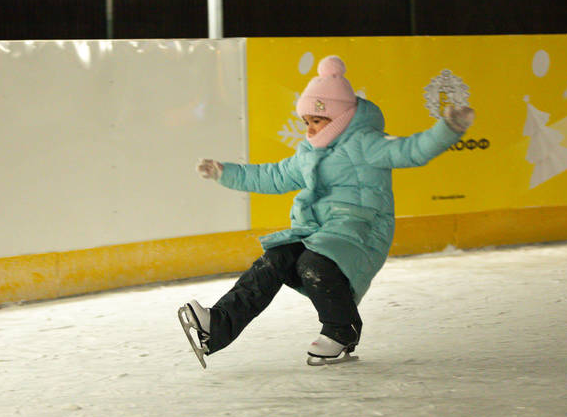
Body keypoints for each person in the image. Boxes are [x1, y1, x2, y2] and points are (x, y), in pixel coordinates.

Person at [178, 55, 475, 368]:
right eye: (306, 122)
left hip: (359, 232)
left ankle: (341, 329)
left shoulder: (366, 142)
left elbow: (412, 151)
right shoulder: (308, 151)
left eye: (316, 120)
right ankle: (216, 325)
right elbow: (274, 176)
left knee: (313, 262)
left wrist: (448, 129)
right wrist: (225, 172)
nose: (309, 128)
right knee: (274, 259)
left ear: (339, 116)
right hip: (317, 232)